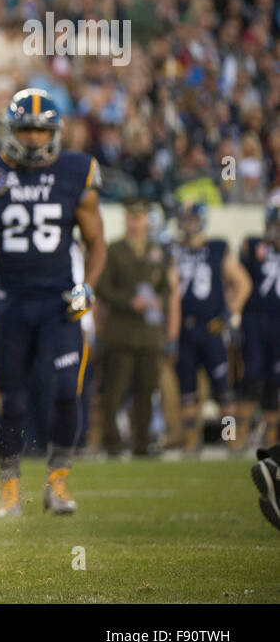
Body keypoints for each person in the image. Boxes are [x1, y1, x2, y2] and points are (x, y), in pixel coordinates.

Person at [0, 88, 107, 517]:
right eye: (25, 129)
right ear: (10, 130)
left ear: (55, 133)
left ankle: (58, 483)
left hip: (58, 304)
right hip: (10, 303)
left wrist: (88, 286)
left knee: (67, 392)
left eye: (40, 131)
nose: (31, 138)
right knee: (14, 401)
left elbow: (97, 242)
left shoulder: (76, 171)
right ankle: (9, 487)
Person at [95, 199, 179, 457]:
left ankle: (142, 444)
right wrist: (129, 301)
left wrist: (159, 301)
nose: (136, 223)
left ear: (146, 220)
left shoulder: (157, 250)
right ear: (126, 220)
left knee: (147, 391)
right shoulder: (114, 249)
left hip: (150, 335)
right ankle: (111, 442)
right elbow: (102, 288)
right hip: (121, 332)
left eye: (140, 218)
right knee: (114, 391)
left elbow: (167, 289)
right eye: (131, 218)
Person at [170, 200, 251, 453]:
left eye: (191, 219)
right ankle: (191, 442)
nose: (186, 224)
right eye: (184, 218)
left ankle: (232, 441)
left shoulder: (217, 249)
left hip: (211, 328)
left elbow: (242, 283)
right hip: (185, 329)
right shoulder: (174, 250)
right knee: (187, 392)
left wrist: (230, 314)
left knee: (224, 392)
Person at [240, 196, 280, 450]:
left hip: (278, 322)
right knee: (251, 376)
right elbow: (241, 278)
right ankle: (239, 435)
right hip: (255, 320)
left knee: (275, 380)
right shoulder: (254, 246)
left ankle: (271, 437)